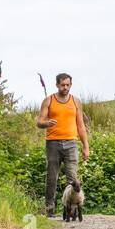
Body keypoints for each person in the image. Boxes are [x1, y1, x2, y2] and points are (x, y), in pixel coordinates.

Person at [36, 72, 90, 218]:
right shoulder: (49, 100)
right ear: (57, 85)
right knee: (52, 178)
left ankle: (71, 209)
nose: (65, 87)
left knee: (73, 179)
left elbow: (81, 126)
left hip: (71, 143)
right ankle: (49, 210)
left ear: (71, 85)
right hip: (53, 143)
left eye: (68, 85)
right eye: (62, 85)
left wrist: (86, 146)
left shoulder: (75, 101)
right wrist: (46, 123)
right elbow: (39, 122)